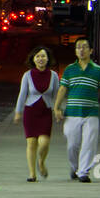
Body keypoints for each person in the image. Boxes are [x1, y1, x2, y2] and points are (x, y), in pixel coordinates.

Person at [52, 37, 100, 182]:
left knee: (89, 143)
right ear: (76, 51)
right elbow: (63, 88)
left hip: (91, 112)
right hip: (72, 112)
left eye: (84, 47)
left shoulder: (98, 71)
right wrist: (56, 107)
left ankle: (84, 172)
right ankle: (75, 167)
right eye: (78, 47)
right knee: (72, 144)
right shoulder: (70, 69)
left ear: (91, 51)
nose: (81, 50)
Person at [13, 46, 58, 182]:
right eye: (38, 56)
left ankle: (41, 162)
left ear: (48, 59)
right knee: (31, 143)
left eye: (43, 56)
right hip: (30, 111)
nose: (40, 59)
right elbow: (22, 95)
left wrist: (57, 109)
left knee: (44, 142)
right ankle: (32, 174)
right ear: (33, 59)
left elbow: (57, 94)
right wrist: (18, 112)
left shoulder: (54, 75)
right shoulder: (27, 75)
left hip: (45, 111)